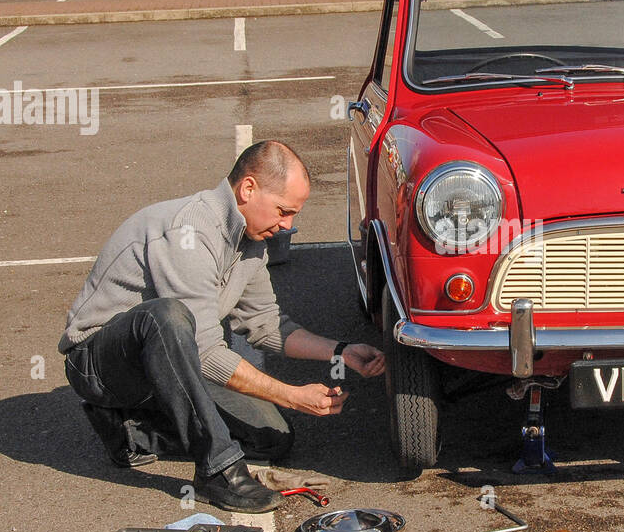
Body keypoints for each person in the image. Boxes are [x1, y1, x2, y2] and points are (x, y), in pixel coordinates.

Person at [58, 141, 385, 513]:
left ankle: (131, 433)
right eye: (283, 211)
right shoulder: (190, 234)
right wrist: (291, 394)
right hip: (101, 364)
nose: (287, 226)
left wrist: (340, 351)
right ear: (248, 189)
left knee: (271, 439)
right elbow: (205, 352)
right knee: (166, 316)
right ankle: (217, 471)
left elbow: (265, 323)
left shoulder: (251, 241)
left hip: (169, 367)